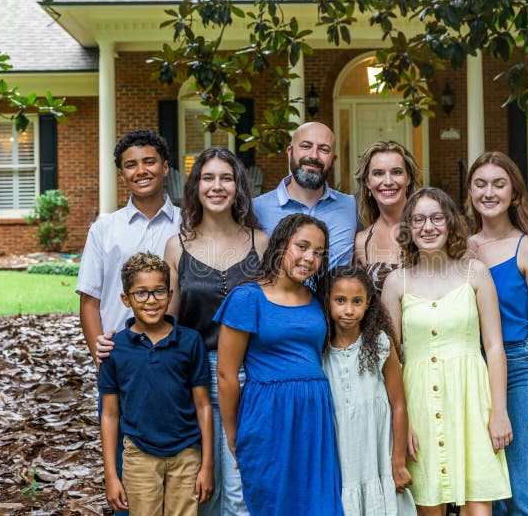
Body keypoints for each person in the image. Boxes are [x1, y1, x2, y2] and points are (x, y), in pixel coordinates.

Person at [381, 188, 511, 515]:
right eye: (419, 219)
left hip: (471, 401)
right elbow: (392, 360)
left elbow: (494, 347)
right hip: (418, 403)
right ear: (408, 228)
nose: (428, 227)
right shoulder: (397, 283)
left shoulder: (475, 273)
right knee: (429, 503)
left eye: (437, 218)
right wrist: (402, 423)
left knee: (478, 507)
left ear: (450, 223)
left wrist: (498, 411)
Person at [76, 129, 181, 515]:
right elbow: (89, 299)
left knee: (177, 454)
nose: (141, 170)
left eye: (149, 161)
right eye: (131, 164)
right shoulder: (106, 229)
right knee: (124, 450)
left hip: (175, 357)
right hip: (123, 359)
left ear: (165, 167)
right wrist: (99, 354)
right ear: (122, 173)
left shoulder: (187, 226)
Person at [214, 213, 343, 516]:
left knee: (320, 505)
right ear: (281, 245)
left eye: (319, 253)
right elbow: (226, 374)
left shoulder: (317, 299)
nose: (310, 258)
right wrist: (233, 434)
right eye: (302, 246)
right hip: (268, 416)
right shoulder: (247, 298)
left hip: (315, 417)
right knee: (274, 503)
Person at [163, 147, 268, 516]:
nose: (217, 186)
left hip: (251, 375)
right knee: (201, 489)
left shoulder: (261, 242)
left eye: (226, 178)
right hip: (194, 377)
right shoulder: (177, 246)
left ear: (239, 186)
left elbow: (272, 312)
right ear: (196, 187)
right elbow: (168, 321)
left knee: (242, 487)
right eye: (208, 178)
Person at [466, 152, 528, 516]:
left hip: (519, 369)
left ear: (514, 194)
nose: (489, 192)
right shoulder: (460, 248)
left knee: (521, 491)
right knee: (489, 493)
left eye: (499, 184)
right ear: (470, 192)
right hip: (473, 368)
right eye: (480, 184)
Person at [98, 252, 213, 515]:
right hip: (139, 456)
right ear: (126, 299)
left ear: (170, 295)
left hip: (186, 454)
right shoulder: (114, 350)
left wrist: (207, 465)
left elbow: (203, 405)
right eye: (141, 293)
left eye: (159, 292)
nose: (151, 301)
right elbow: (109, 413)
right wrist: (111, 475)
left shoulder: (190, 342)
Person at [323, 266, 417, 516]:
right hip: (342, 457)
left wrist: (398, 460)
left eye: (357, 301)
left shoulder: (380, 344)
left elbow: (398, 404)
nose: (348, 310)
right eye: (340, 301)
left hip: (376, 456)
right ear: (328, 302)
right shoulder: (320, 352)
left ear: (368, 305)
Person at [253, 121, 357, 269]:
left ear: (333, 160)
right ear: (290, 152)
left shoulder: (351, 206)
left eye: (324, 149)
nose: (313, 155)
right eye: (306, 146)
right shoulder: (257, 208)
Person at [353, 141, 421, 291]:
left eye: (396, 172)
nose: (388, 181)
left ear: (408, 178)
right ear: (367, 182)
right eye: (378, 173)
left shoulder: (428, 229)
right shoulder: (361, 241)